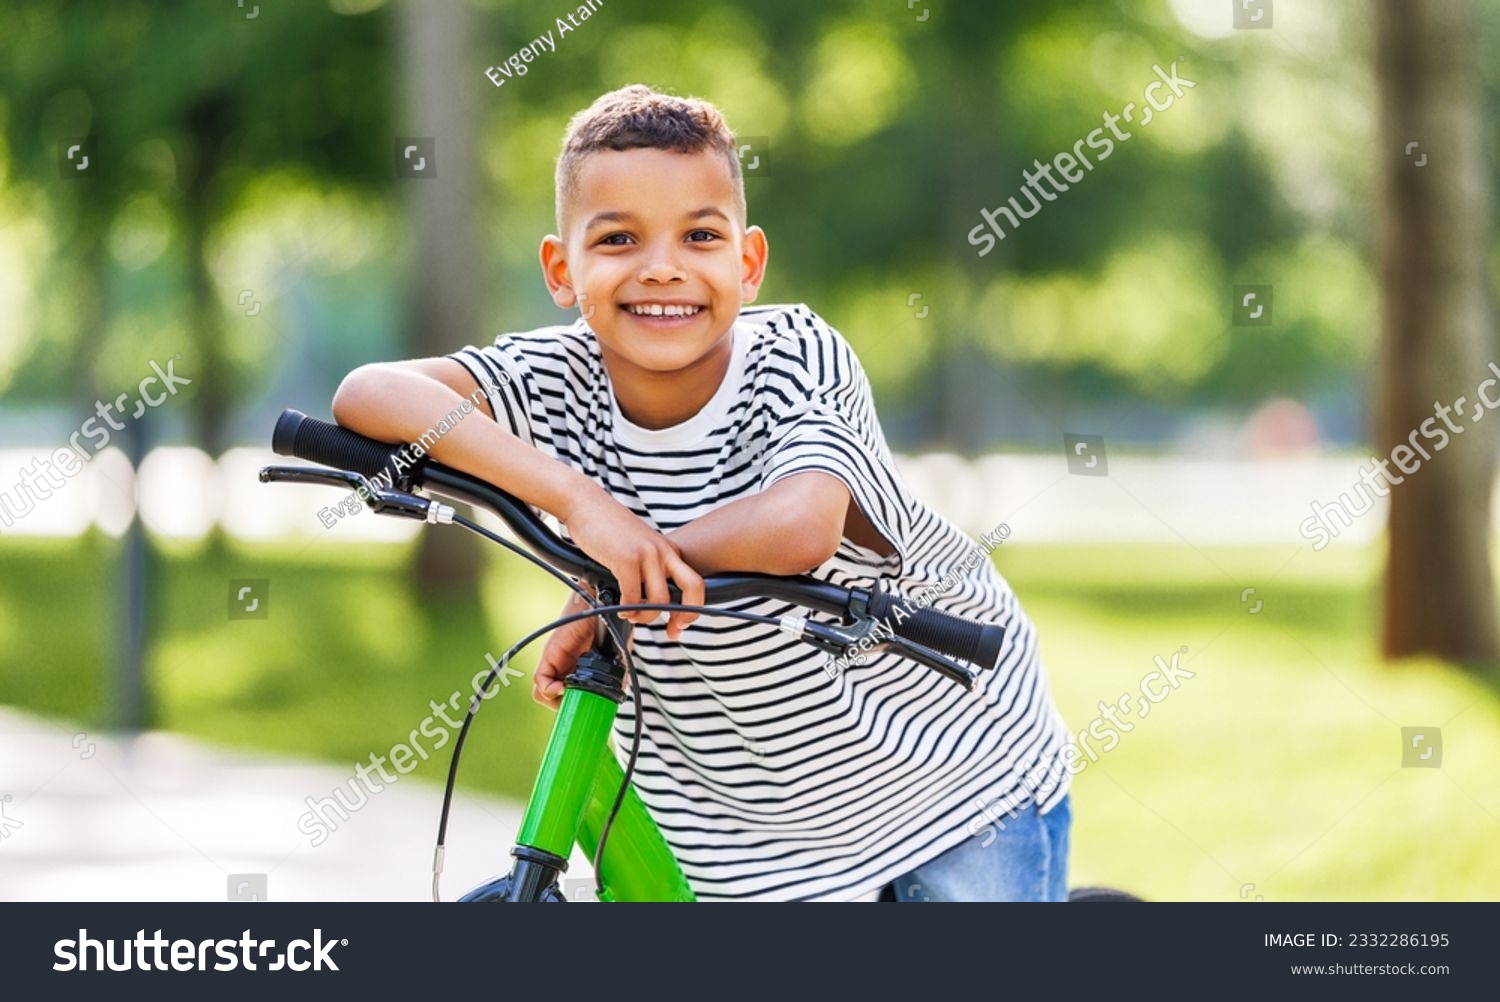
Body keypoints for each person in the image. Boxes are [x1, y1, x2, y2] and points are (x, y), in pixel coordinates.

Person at [331, 84, 1072, 901]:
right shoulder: (553, 379)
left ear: (747, 264)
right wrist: (586, 508)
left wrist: (610, 579)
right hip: (737, 829)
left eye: (699, 235)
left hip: (943, 779)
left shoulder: (795, 356)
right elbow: (371, 393)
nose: (661, 267)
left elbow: (801, 525)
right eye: (617, 238)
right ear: (561, 269)